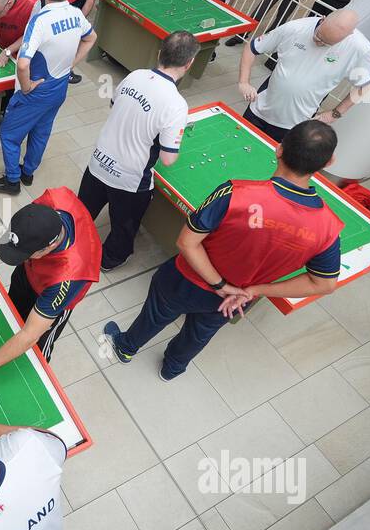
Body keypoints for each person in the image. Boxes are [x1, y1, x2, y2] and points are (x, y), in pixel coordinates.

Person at [102, 121, 343, 380]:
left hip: (187, 280)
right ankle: (172, 368)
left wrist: (219, 284)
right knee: (200, 332)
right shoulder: (328, 227)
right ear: (329, 162)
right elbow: (324, 284)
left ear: (279, 149)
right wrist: (253, 291)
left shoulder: (235, 192)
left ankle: (125, 348)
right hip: (236, 298)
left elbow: (186, 242)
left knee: (156, 313)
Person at [80, 31, 197, 271]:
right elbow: (167, 158)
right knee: (124, 225)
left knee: (81, 211)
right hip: (129, 180)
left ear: (159, 53)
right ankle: (111, 258)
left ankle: (71, 240)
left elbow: (114, 104)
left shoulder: (135, 75)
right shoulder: (176, 105)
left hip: (98, 161)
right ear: (189, 63)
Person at [0, 187, 101, 382]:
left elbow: (30, 335)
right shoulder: (53, 199)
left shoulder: (69, 277)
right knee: (11, 312)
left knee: (37, 348)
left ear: (49, 246)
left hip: (51, 290)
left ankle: (34, 377)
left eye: (27, 253)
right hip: (30, 275)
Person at [0, 0, 96, 194]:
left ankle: (12, 181)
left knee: (9, 134)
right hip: (59, 87)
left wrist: (27, 86)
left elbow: (23, 63)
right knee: (41, 131)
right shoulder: (77, 15)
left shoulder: (40, 20)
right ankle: (28, 172)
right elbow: (91, 38)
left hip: (37, 89)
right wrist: (71, 64)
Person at [235, 9, 370, 141]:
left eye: (327, 43)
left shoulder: (360, 49)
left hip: (296, 125)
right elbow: (253, 47)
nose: (319, 43)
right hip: (259, 110)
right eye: (319, 36)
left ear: (348, 35)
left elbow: (366, 84)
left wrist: (335, 113)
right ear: (323, 19)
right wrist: (244, 82)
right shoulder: (296, 27)